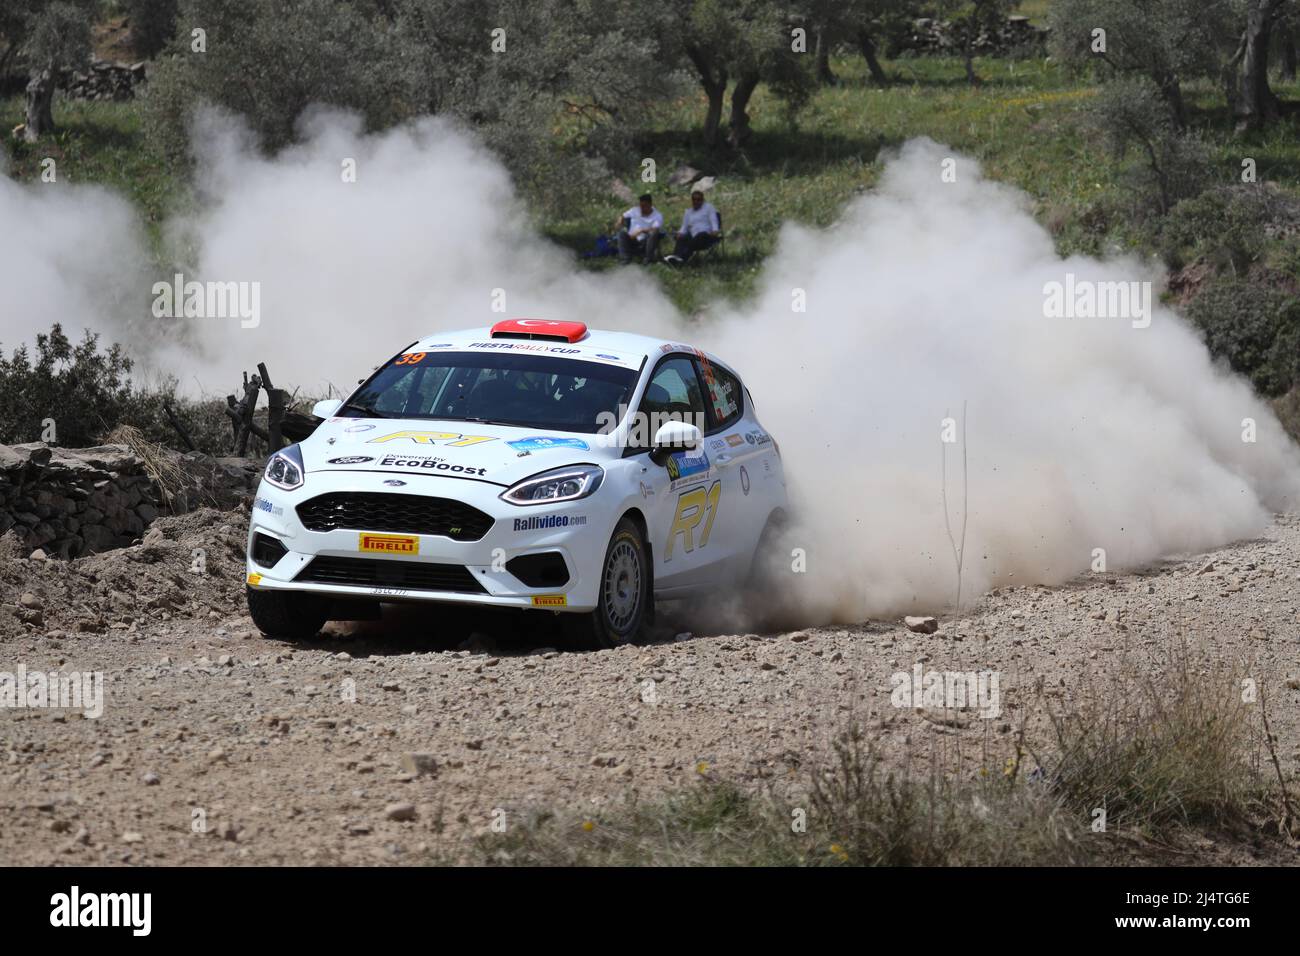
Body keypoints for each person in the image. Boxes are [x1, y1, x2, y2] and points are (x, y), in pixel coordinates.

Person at [663, 190, 720, 264]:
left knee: (700, 235)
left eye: (698, 199)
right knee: (682, 237)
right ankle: (676, 257)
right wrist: (680, 233)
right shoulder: (688, 212)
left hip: (706, 236)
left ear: (702, 200)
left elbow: (714, 221)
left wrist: (715, 230)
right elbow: (684, 226)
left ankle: (682, 258)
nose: (696, 201)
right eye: (694, 199)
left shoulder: (708, 208)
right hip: (693, 236)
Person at [615, 193, 664, 265]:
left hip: (645, 241)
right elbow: (623, 215)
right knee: (621, 233)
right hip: (632, 239)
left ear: (650, 205)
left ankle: (648, 259)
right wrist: (620, 220)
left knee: (653, 233)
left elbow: (655, 229)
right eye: (640, 206)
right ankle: (626, 259)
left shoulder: (657, 216)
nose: (641, 208)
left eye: (644, 206)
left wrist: (641, 230)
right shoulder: (635, 210)